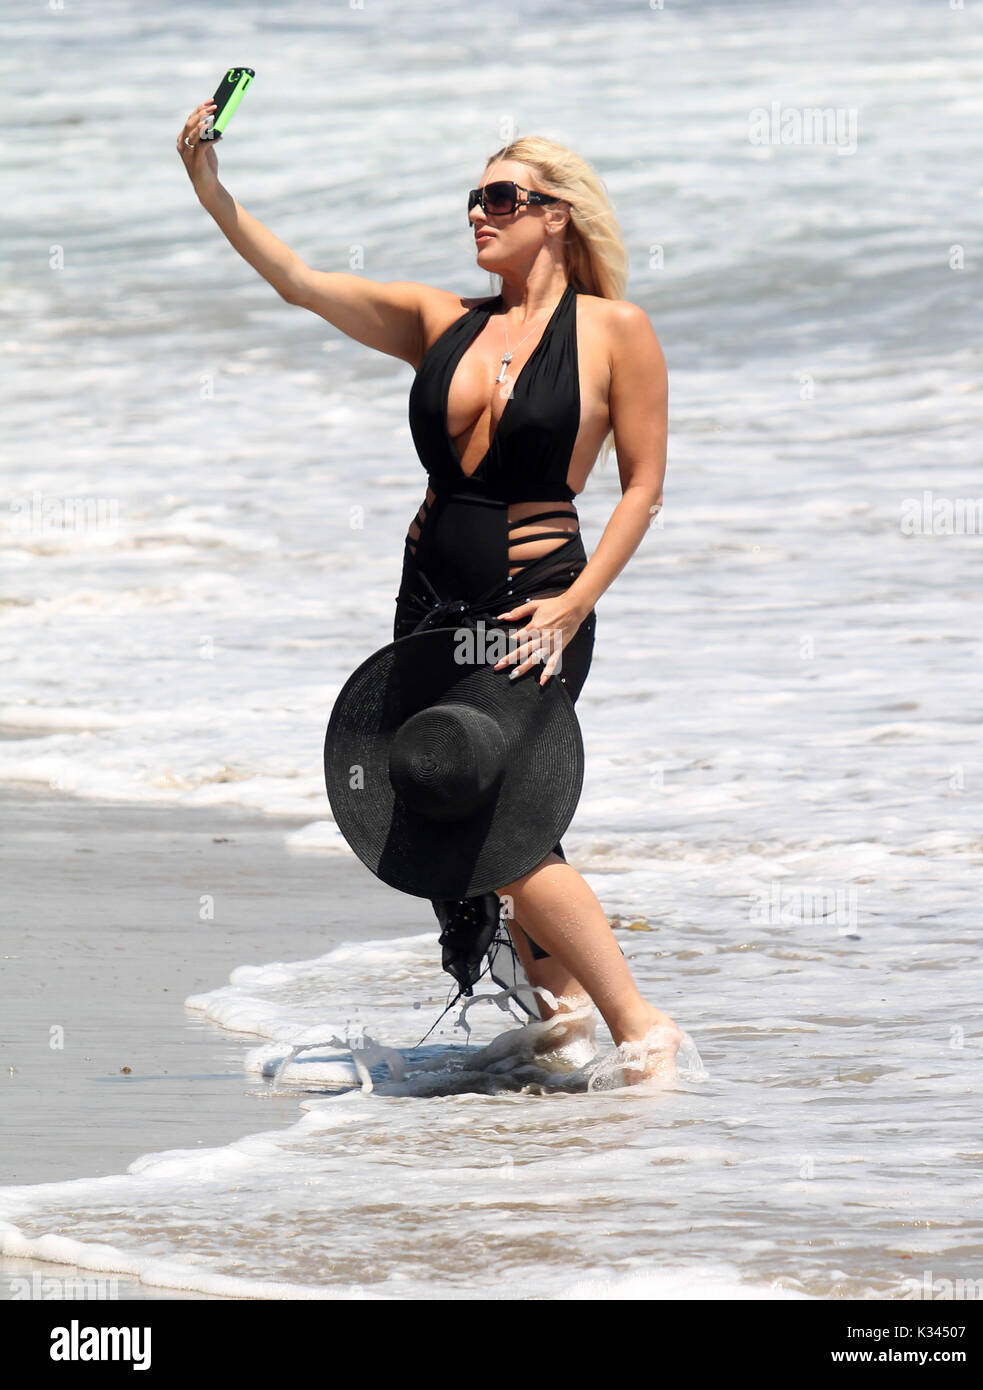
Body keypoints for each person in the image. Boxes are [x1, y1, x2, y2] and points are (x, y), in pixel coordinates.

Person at [177, 103, 684, 1083]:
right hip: (425, 608)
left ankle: (639, 1030)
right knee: (476, 805)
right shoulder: (438, 322)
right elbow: (300, 284)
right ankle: (563, 1028)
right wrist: (210, 188)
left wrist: (576, 602)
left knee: (489, 806)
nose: (479, 215)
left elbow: (645, 487)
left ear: (557, 216)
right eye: (474, 199)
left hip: (536, 608)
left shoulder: (616, 332)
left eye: (502, 198)